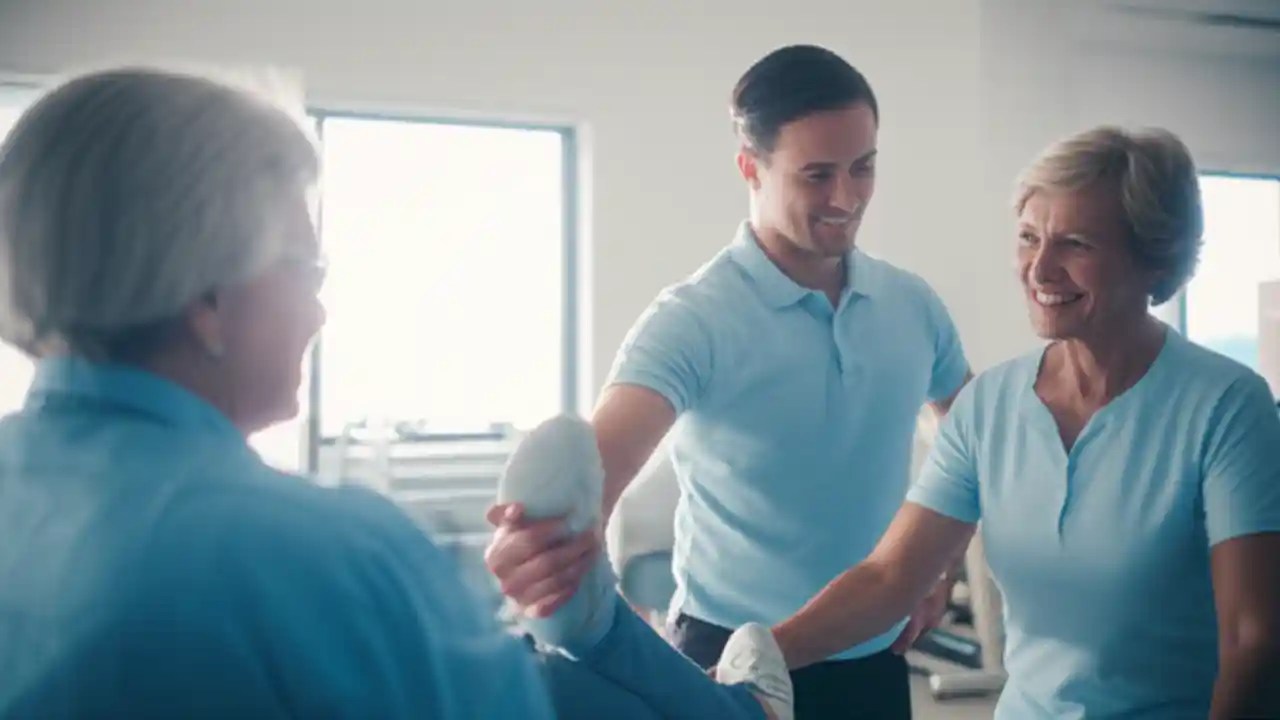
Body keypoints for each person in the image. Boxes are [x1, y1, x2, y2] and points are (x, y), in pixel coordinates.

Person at [0, 68, 786, 719]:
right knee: (573, 686)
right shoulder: (319, 555)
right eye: (306, 273)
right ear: (208, 296)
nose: (318, 311)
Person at [487, 43, 970, 719]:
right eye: (817, 175)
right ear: (751, 168)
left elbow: (972, 443)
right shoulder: (694, 319)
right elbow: (600, 467)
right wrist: (550, 550)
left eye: (863, 169)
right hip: (721, 662)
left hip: (873, 657)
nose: (846, 197)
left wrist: (935, 564)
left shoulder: (913, 306)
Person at [767, 126, 1280, 719]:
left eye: (1076, 244)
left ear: (1152, 257)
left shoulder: (1228, 407)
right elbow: (890, 578)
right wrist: (763, 652)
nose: (1040, 268)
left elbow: (1255, 638)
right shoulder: (988, 405)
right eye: (1029, 238)